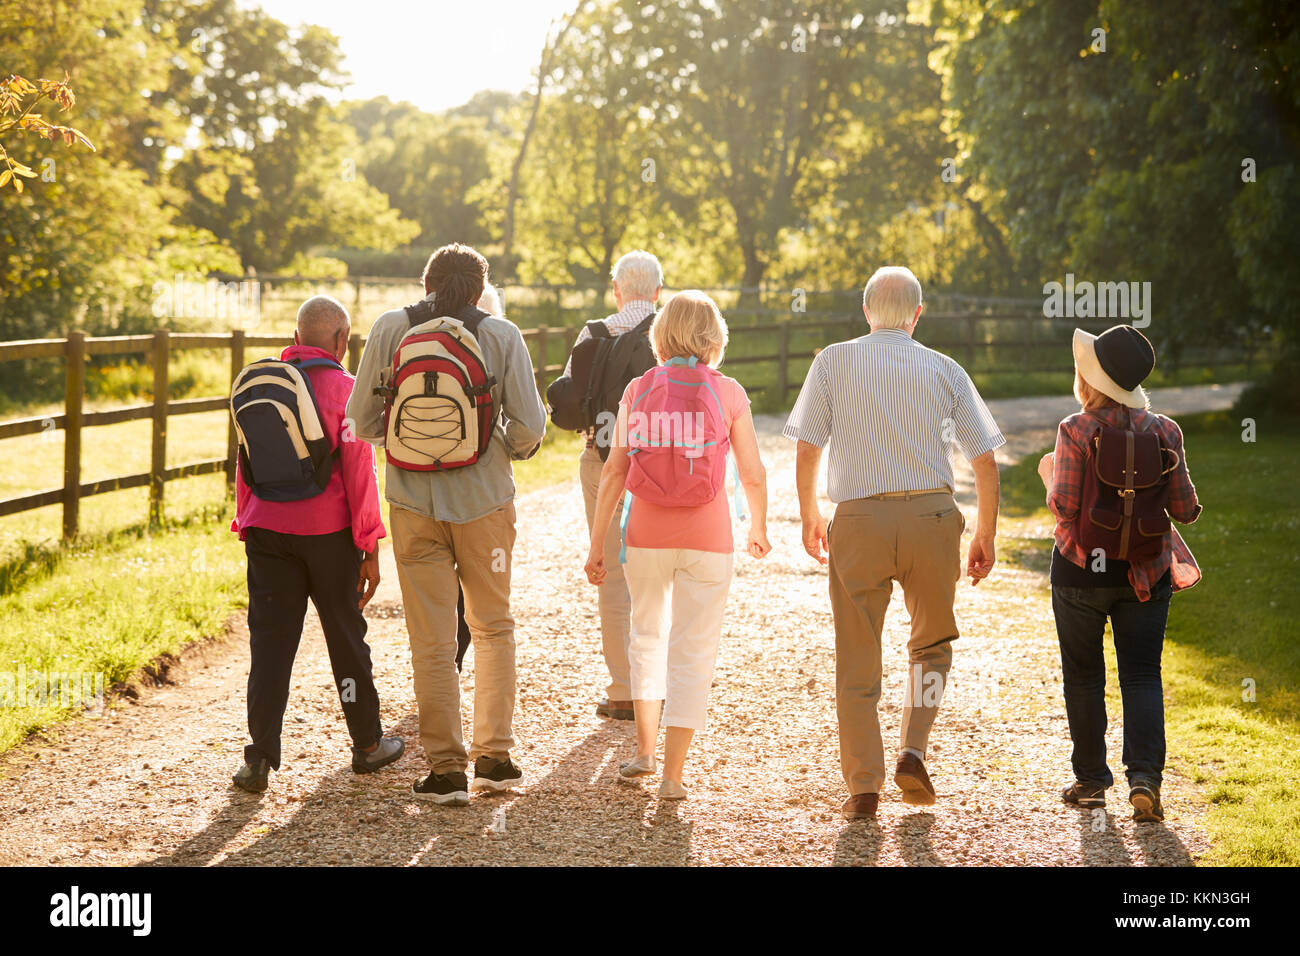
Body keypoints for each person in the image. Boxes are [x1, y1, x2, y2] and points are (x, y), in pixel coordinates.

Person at [784, 266, 1004, 821]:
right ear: (917, 314)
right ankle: (913, 749)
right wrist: (984, 533)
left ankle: (863, 785)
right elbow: (983, 458)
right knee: (930, 645)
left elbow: (808, 445)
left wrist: (810, 512)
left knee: (857, 654)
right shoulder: (945, 368)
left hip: (858, 522)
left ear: (865, 312)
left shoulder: (832, 360)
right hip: (931, 516)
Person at [348, 244, 547, 806]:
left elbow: (362, 420)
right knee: (492, 626)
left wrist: (412, 448)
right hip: (485, 503)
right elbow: (530, 426)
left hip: (413, 505)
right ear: (481, 289)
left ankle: (444, 772)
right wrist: (496, 450)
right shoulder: (502, 334)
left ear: (426, 282)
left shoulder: (390, 327)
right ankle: (495, 759)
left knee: (432, 641)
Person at [585, 290, 771, 800]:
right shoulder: (728, 391)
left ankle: (643, 751)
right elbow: (752, 473)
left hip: (645, 534)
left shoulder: (638, 388)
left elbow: (614, 471)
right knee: (693, 649)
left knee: (646, 637)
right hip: (709, 537)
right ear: (715, 338)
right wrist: (758, 526)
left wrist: (598, 543)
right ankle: (672, 776)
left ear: (660, 336)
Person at [231, 294, 403, 793]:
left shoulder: (262, 383)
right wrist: (369, 546)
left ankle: (258, 758)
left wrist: (246, 521)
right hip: (327, 538)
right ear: (342, 342)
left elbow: (246, 460)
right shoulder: (347, 392)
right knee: (345, 638)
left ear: (295, 337)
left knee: (270, 643)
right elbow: (359, 474)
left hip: (266, 532)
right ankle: (368, 745)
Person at [1037, 325, 1201, 823]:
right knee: (1142, 675)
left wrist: (1048, 476)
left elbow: (1066, 506)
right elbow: (1187, 510)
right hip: (1146, 572)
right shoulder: (1165, 431)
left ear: (1090, 380)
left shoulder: (1076, 429)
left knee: (1084, 677)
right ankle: (1146, 780)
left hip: (1081, 569)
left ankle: (1090, 782)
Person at [566, 251, 664, 722]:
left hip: (601, 460)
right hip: (661, 467)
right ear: (658, 293)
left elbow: (568, 400)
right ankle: (658, 688)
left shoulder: (594, 333)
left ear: (617, 290)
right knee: (659, 575)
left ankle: (623, 690)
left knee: (610, 572)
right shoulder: (670, 333)